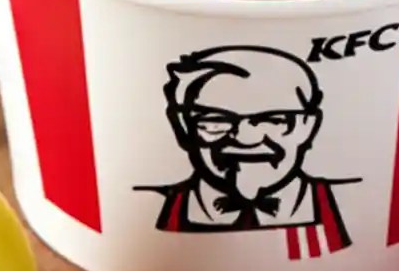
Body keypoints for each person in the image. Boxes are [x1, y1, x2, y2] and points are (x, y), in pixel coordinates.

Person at [137, 46, 357, 251]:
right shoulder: (138, 211)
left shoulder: (359, 203)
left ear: (308, 126)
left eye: (274, 120)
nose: (246, 139)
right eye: (216, 120)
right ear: (183, 127)